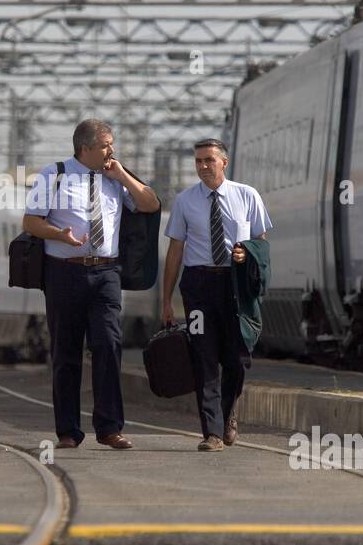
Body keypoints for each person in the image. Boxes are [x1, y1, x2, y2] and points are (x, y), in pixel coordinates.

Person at [23, 119, 160, 449]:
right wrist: (59, 235)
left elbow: (150, 204)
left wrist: (123, 175)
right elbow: (30, 221)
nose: (111, 150)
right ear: (85, 148)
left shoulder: (115, 177)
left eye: (112, 144)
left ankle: (110, 427)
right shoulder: (53, 174)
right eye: (105, 145)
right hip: (65, 272)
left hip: (106, 274)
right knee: (66, 352)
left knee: (108, 344)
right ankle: (68, 431)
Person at [161, 138, 272, 451]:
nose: (203, 166)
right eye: (198, 161)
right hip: (198, 287)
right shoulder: (185, 201)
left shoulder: (246, 196)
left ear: (224, 162)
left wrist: (245, 254)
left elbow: (261, 243)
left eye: (209, 160)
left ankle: (228, 414)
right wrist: (166, 300)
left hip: (235, 286)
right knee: (203, 354)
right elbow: (175, 251)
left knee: (237, 357)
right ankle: (211, 432)